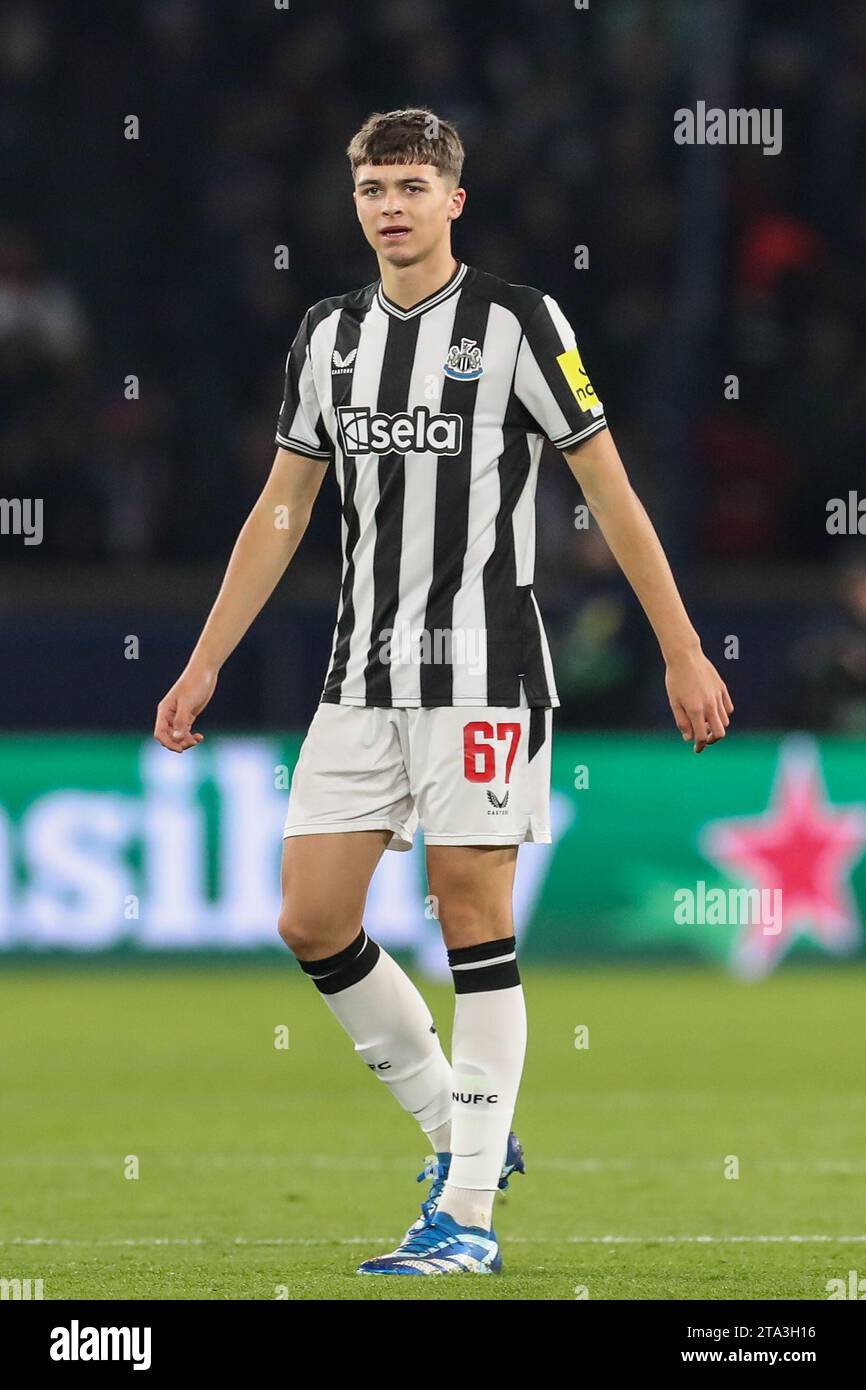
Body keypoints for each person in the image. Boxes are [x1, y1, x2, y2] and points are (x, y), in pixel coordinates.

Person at [154, 107, 733, 1276]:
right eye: (373, 186)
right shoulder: (324, 338)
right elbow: (282, 510)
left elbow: (608, 492)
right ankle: (462, 1134)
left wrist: (679, 644)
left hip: (483, 672)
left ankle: (462, 1215)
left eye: (414, 185)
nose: (392, 205)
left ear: (454, 200)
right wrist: (206, 654)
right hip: (358, 674)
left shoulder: (520, 323)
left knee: (471, 913)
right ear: (353, 202)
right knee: (310, 919)